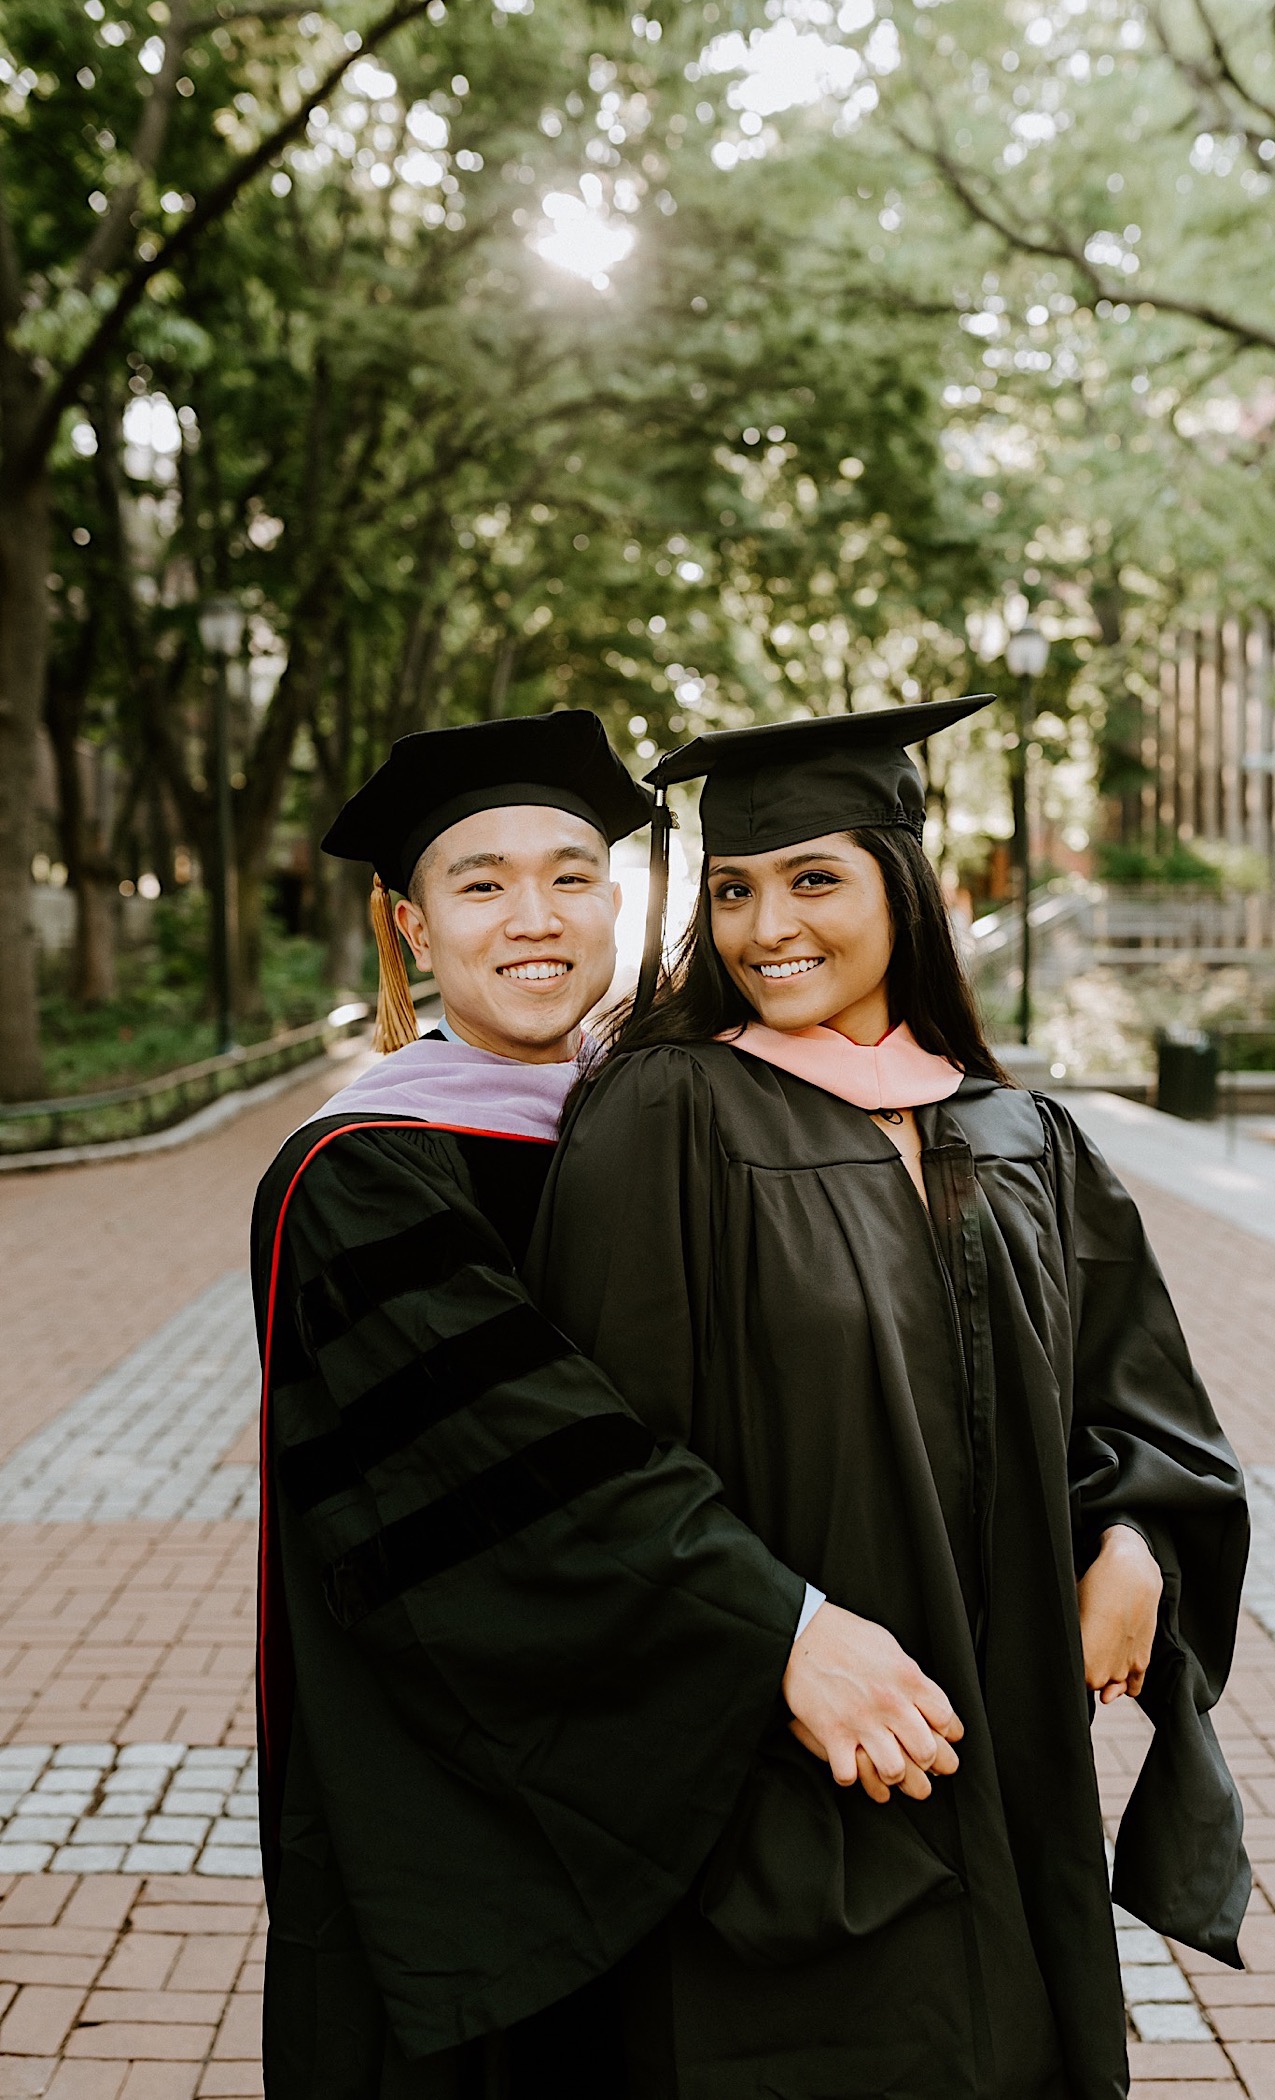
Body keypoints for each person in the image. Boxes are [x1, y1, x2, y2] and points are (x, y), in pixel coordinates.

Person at [531, 700, 1251, 2100]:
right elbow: (597, 1461)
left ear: (901, 889)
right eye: (733, 889)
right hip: (793, 1775)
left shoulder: (1019, 1132)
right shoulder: (668, 1115)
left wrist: (1137, 1545)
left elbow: (1144, 1402)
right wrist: (774, 1644)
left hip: (1018, 1754)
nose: (764, 926)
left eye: (814, 878)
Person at [251, 708, 963, 2100]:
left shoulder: (673, 1110)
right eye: (482, 881)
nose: (537, 916)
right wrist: (786, 1625)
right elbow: (514, 1456)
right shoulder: (362, 1170)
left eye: (574, 874)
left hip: (685, 1748)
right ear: (411, 927)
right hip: (464, 1782)